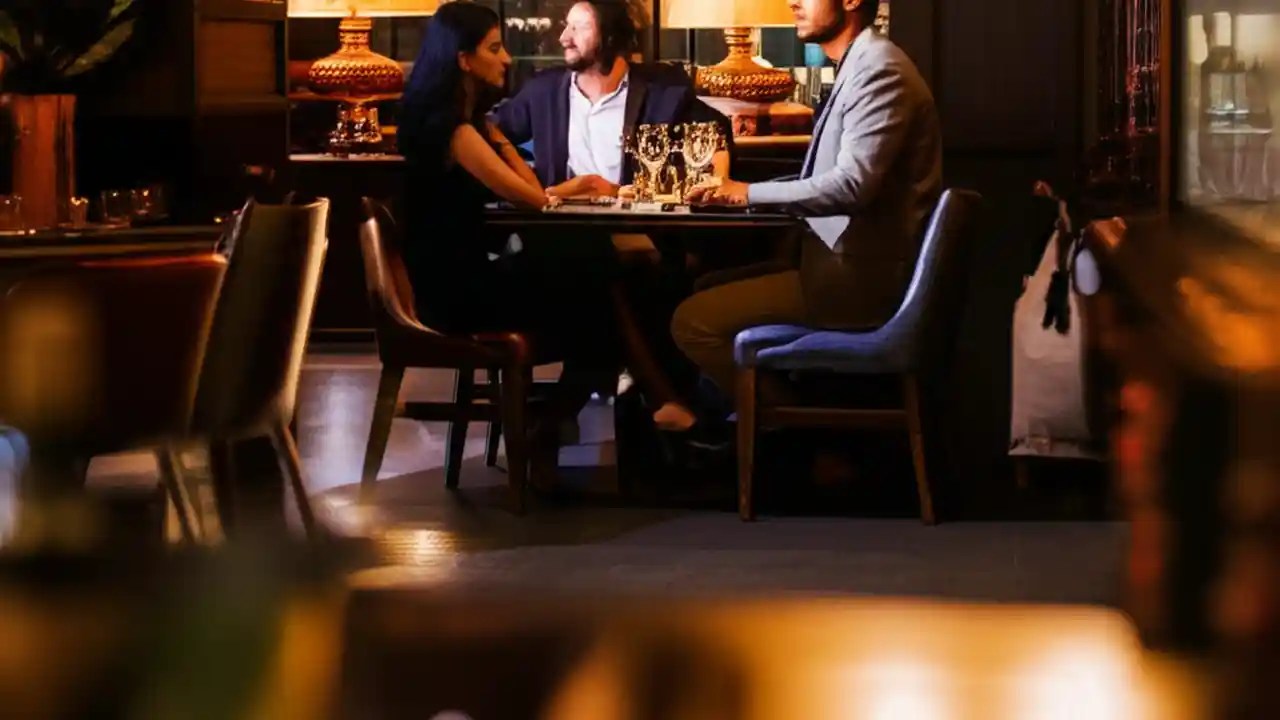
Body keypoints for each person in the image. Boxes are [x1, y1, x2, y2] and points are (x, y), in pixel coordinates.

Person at [675, 0, 943, 409]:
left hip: (857, 284)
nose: (793, 3)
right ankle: (743, 425)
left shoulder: (880, 70)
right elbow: (824, 179)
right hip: (839, 269)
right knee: (704, 285)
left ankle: (789, 425)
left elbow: (851, 186)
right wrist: (739, 191)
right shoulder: (862, 63)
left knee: (692, 321)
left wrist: (746, 194)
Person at [397, 1, 625, 467]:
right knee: (604, 290)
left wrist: (497, 137)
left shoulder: (467, 126)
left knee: (599, 276)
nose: (506, 58)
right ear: (464, 59)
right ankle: (557, 419)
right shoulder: (453, 132)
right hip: (455, 293)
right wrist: (568, 189)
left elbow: (530, 190)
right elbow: (534, 199)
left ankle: (556, 419)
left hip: (467, 277)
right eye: (494, 48)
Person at [491, 0, 733, 434]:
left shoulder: (662, 87)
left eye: (578, 28)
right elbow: (490, 135)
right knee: (615, 273)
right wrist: (547, 188)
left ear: (611, 35)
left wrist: (715, 179)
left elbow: (714, 133)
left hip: (644, 236)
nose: (563, 38)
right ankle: (660, 404)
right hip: (560, 243)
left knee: (627, 275)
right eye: (566, 27)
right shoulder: (543, 91)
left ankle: (565, 410)